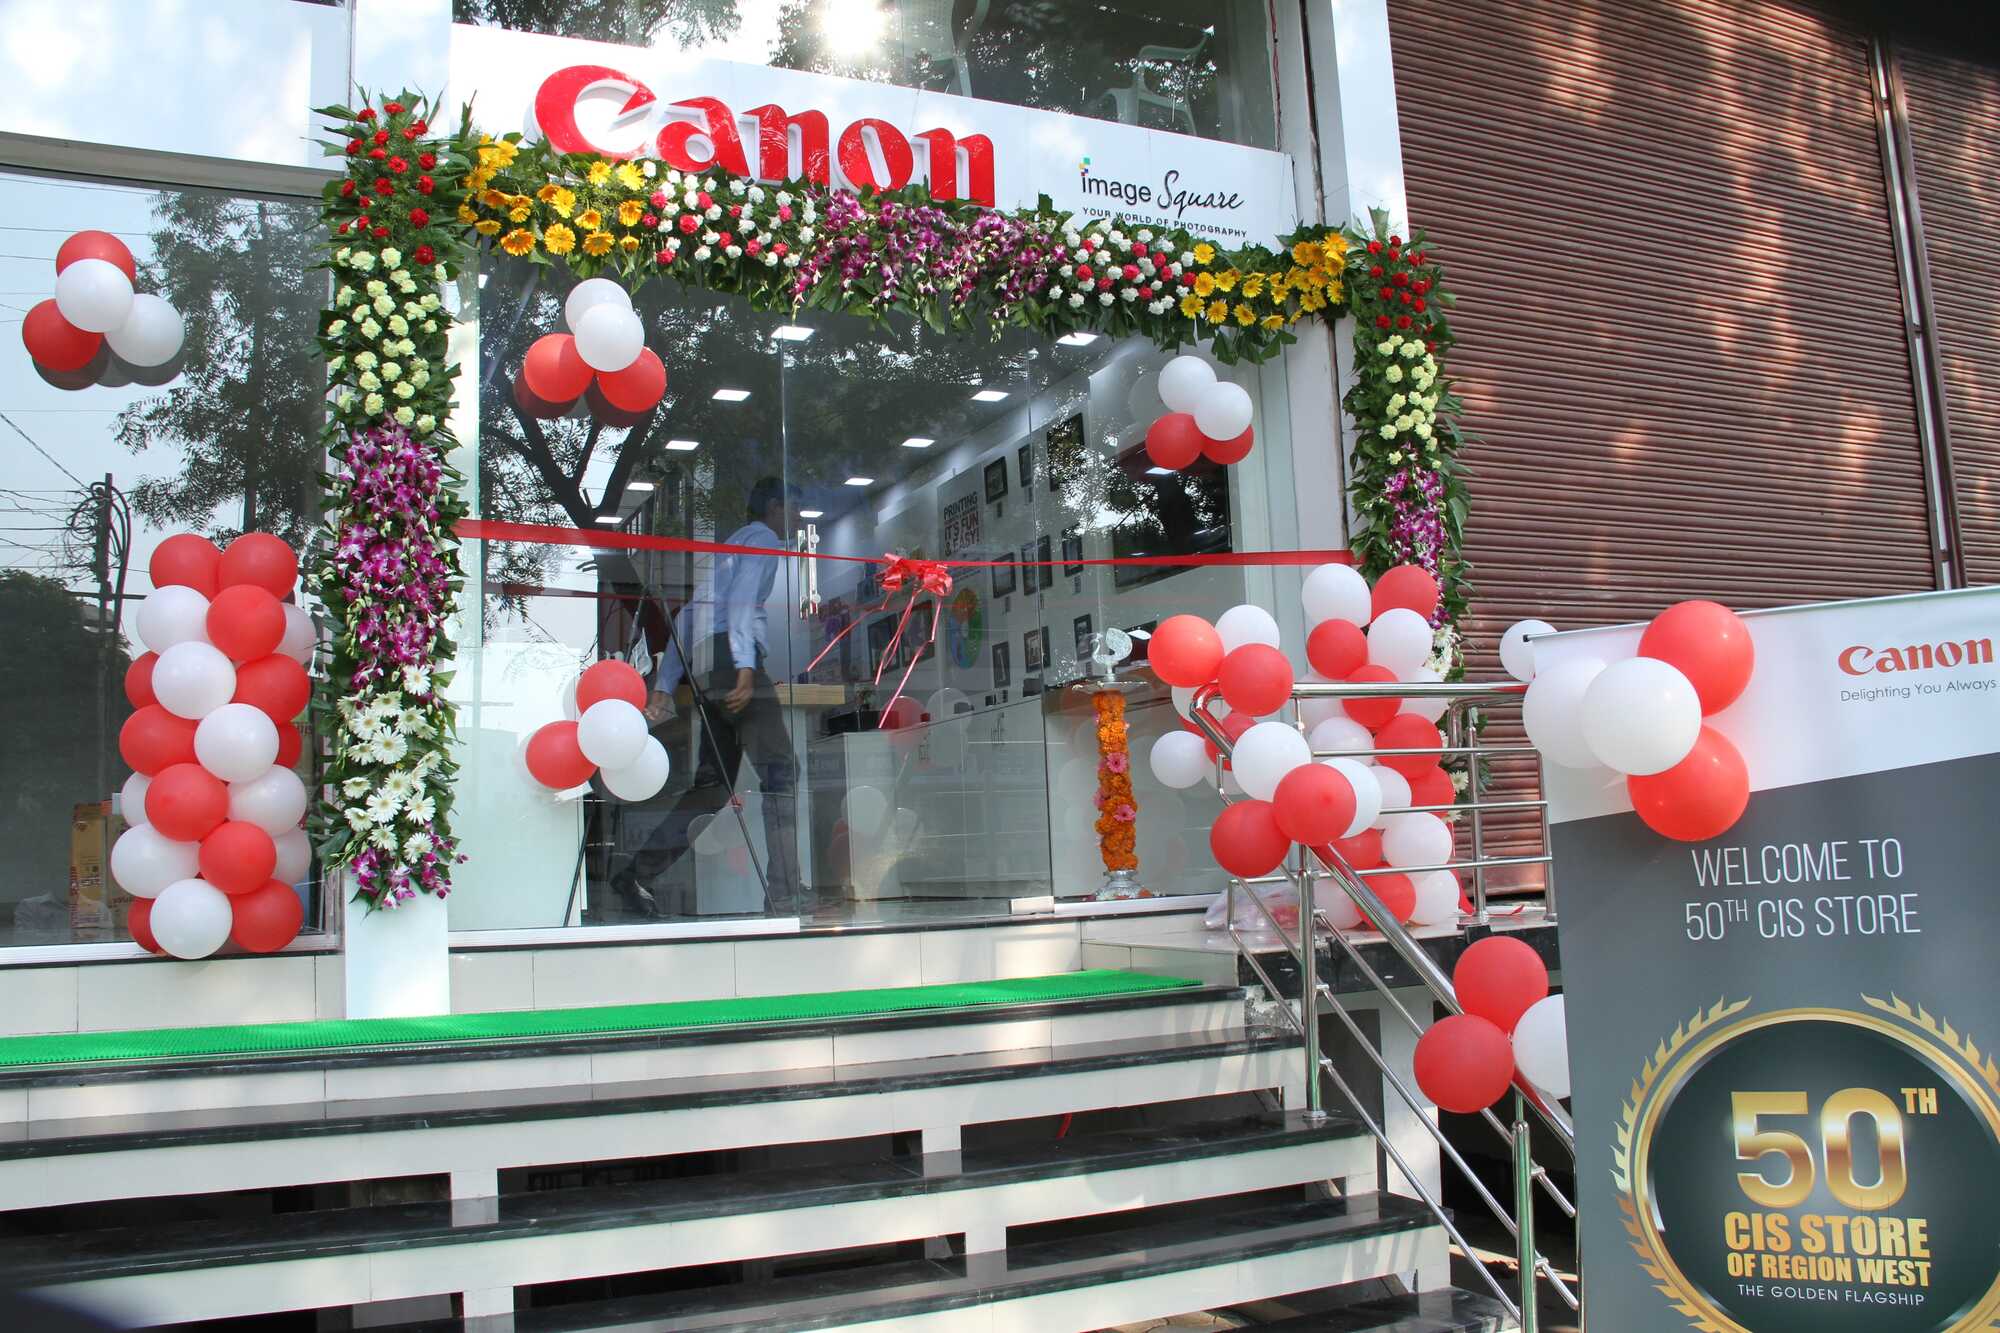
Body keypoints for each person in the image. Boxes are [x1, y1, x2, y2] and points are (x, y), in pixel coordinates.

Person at [611, 478, 803, 917]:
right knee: (781, 773)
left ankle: (637, 874)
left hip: (705, 664)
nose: (797, 518)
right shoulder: (763, 539)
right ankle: (786, 893)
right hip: (731, 660)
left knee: (713, 788)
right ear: (775, 507)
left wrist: (666, 684)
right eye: (794, 508)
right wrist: (745, 663)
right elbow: (741, 604)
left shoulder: (728, 549)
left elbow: (689, 617)